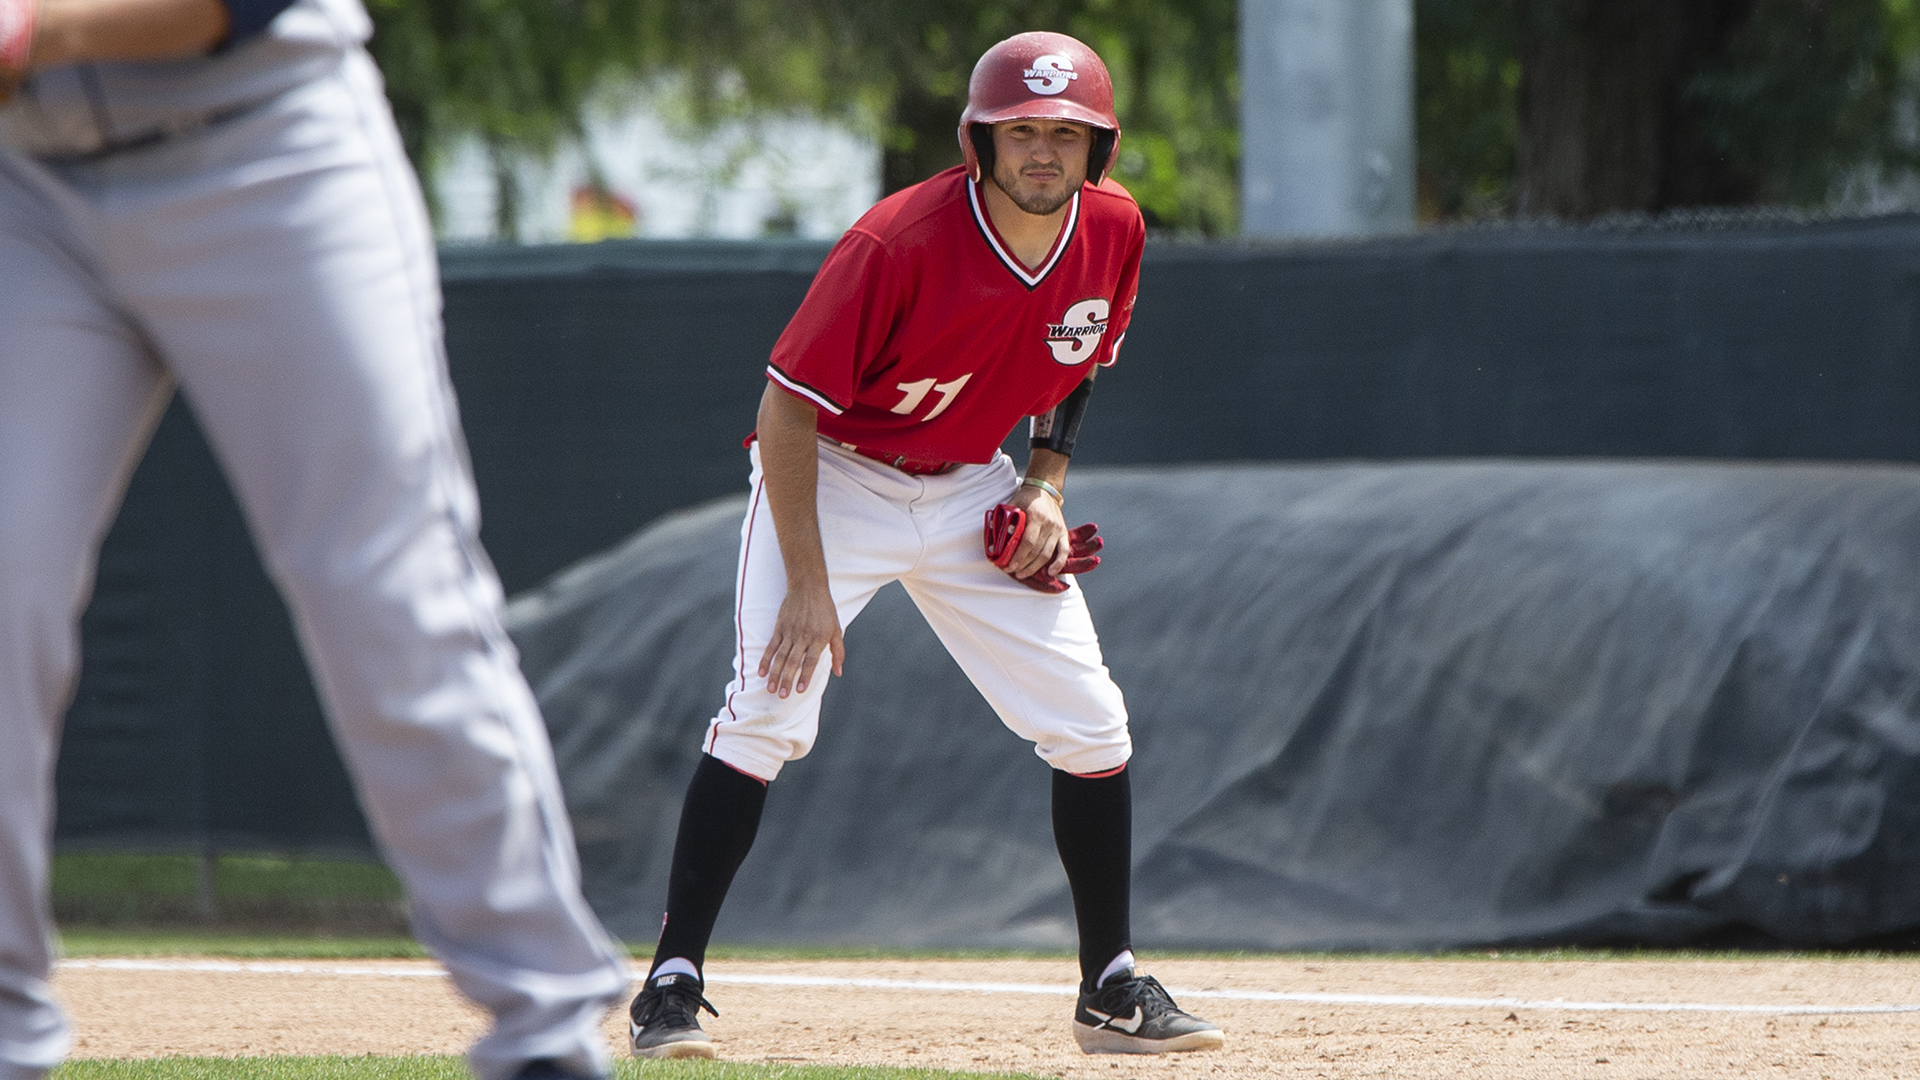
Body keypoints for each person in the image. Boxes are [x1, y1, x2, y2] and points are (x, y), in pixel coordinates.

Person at [0, 2, 629, 1078]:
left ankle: (544, 1032)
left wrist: (30, 26)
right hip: (23, 184)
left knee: (384, 591)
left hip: (263, 139)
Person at [625, 30, 1224, 1062]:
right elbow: (785, 410)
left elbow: (1079, 355)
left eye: (1067, 132)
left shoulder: (1113, 228)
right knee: (767, 713)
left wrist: (1043, 483)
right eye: (1022, 131)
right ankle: (669, 988)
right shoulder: (897, 241)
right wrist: (808, 583)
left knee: (1090, 723)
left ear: (1100, 147)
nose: (1045, 150)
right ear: (979, 142)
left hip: (968, 485)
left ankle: (1111, 989)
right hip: (836, 475)